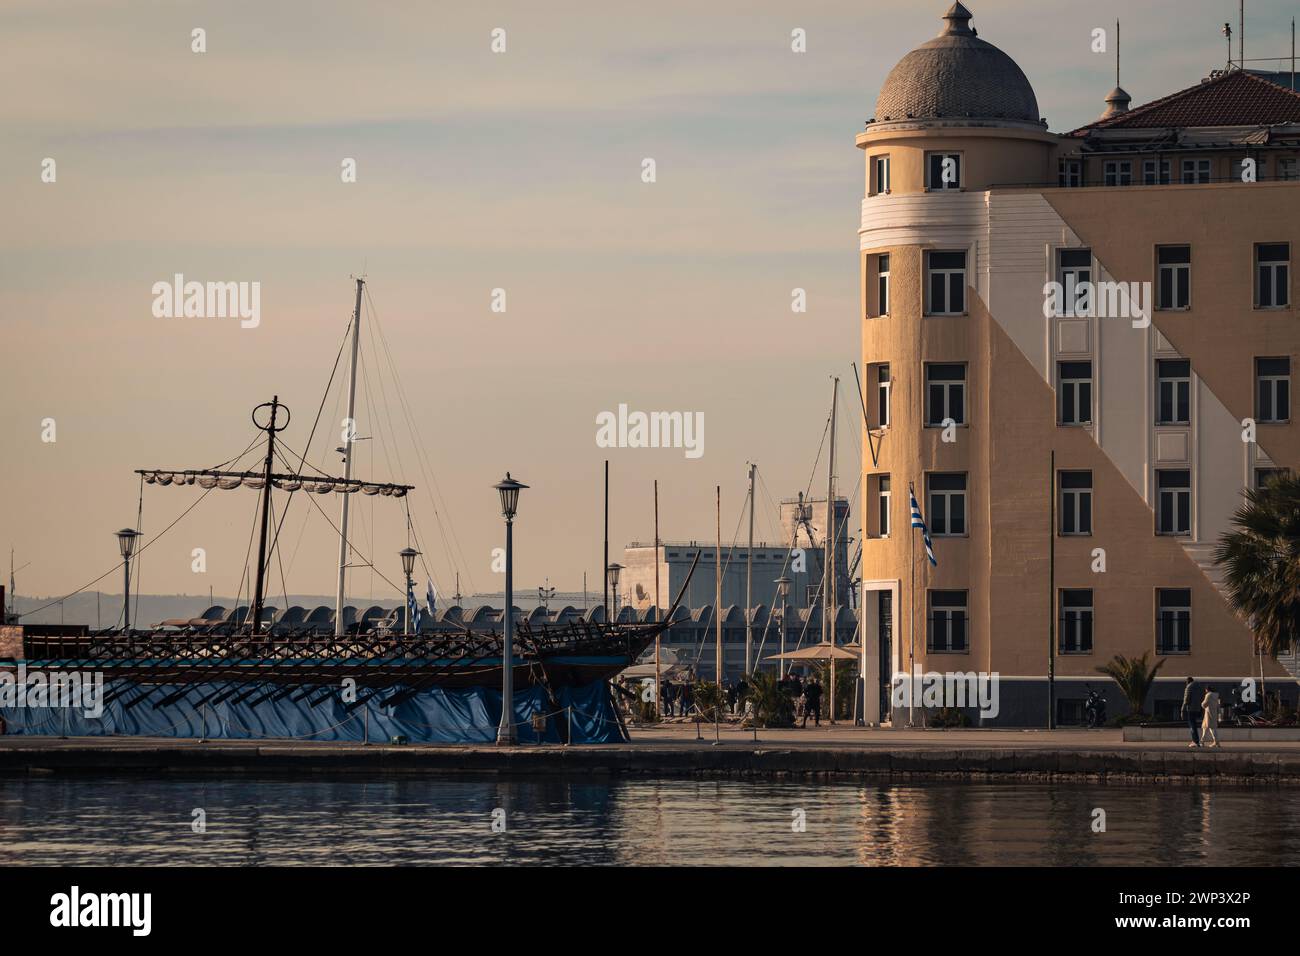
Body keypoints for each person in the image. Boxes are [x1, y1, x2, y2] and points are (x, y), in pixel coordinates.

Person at [1181, 677, 1201, 748]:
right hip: (1197, 708)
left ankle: (1195, 741)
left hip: (1190, 709)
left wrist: (1182, 710)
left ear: (1187, 682)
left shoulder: (1188, 687)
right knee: (1194, 725)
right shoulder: (1198, 688)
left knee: (1192, 725)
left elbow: (1186, 700)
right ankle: (1197, 741)